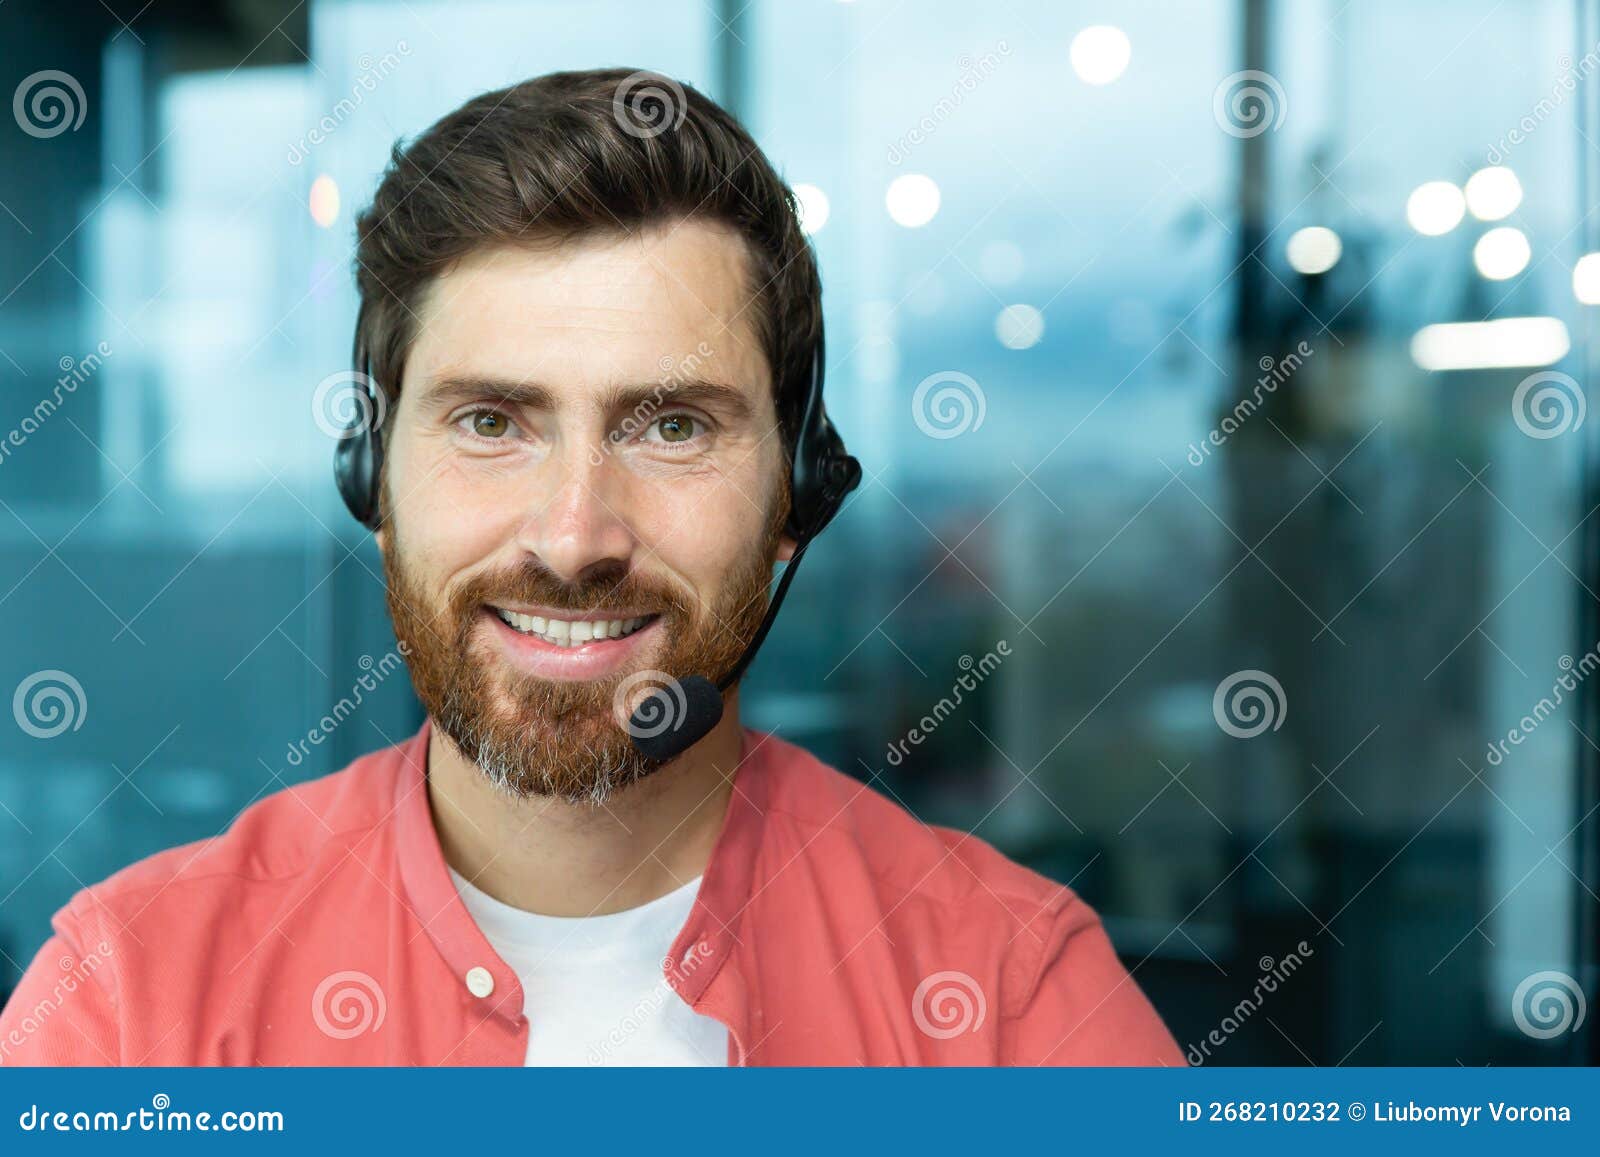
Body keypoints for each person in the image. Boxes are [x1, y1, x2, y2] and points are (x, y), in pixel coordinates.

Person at [0, 68, 1181, 1067]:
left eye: (670, 426)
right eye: (490, 422)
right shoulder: (128, 1007)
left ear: (798, 493)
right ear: (372, 482)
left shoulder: (1016, 1001)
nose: (573, 538)